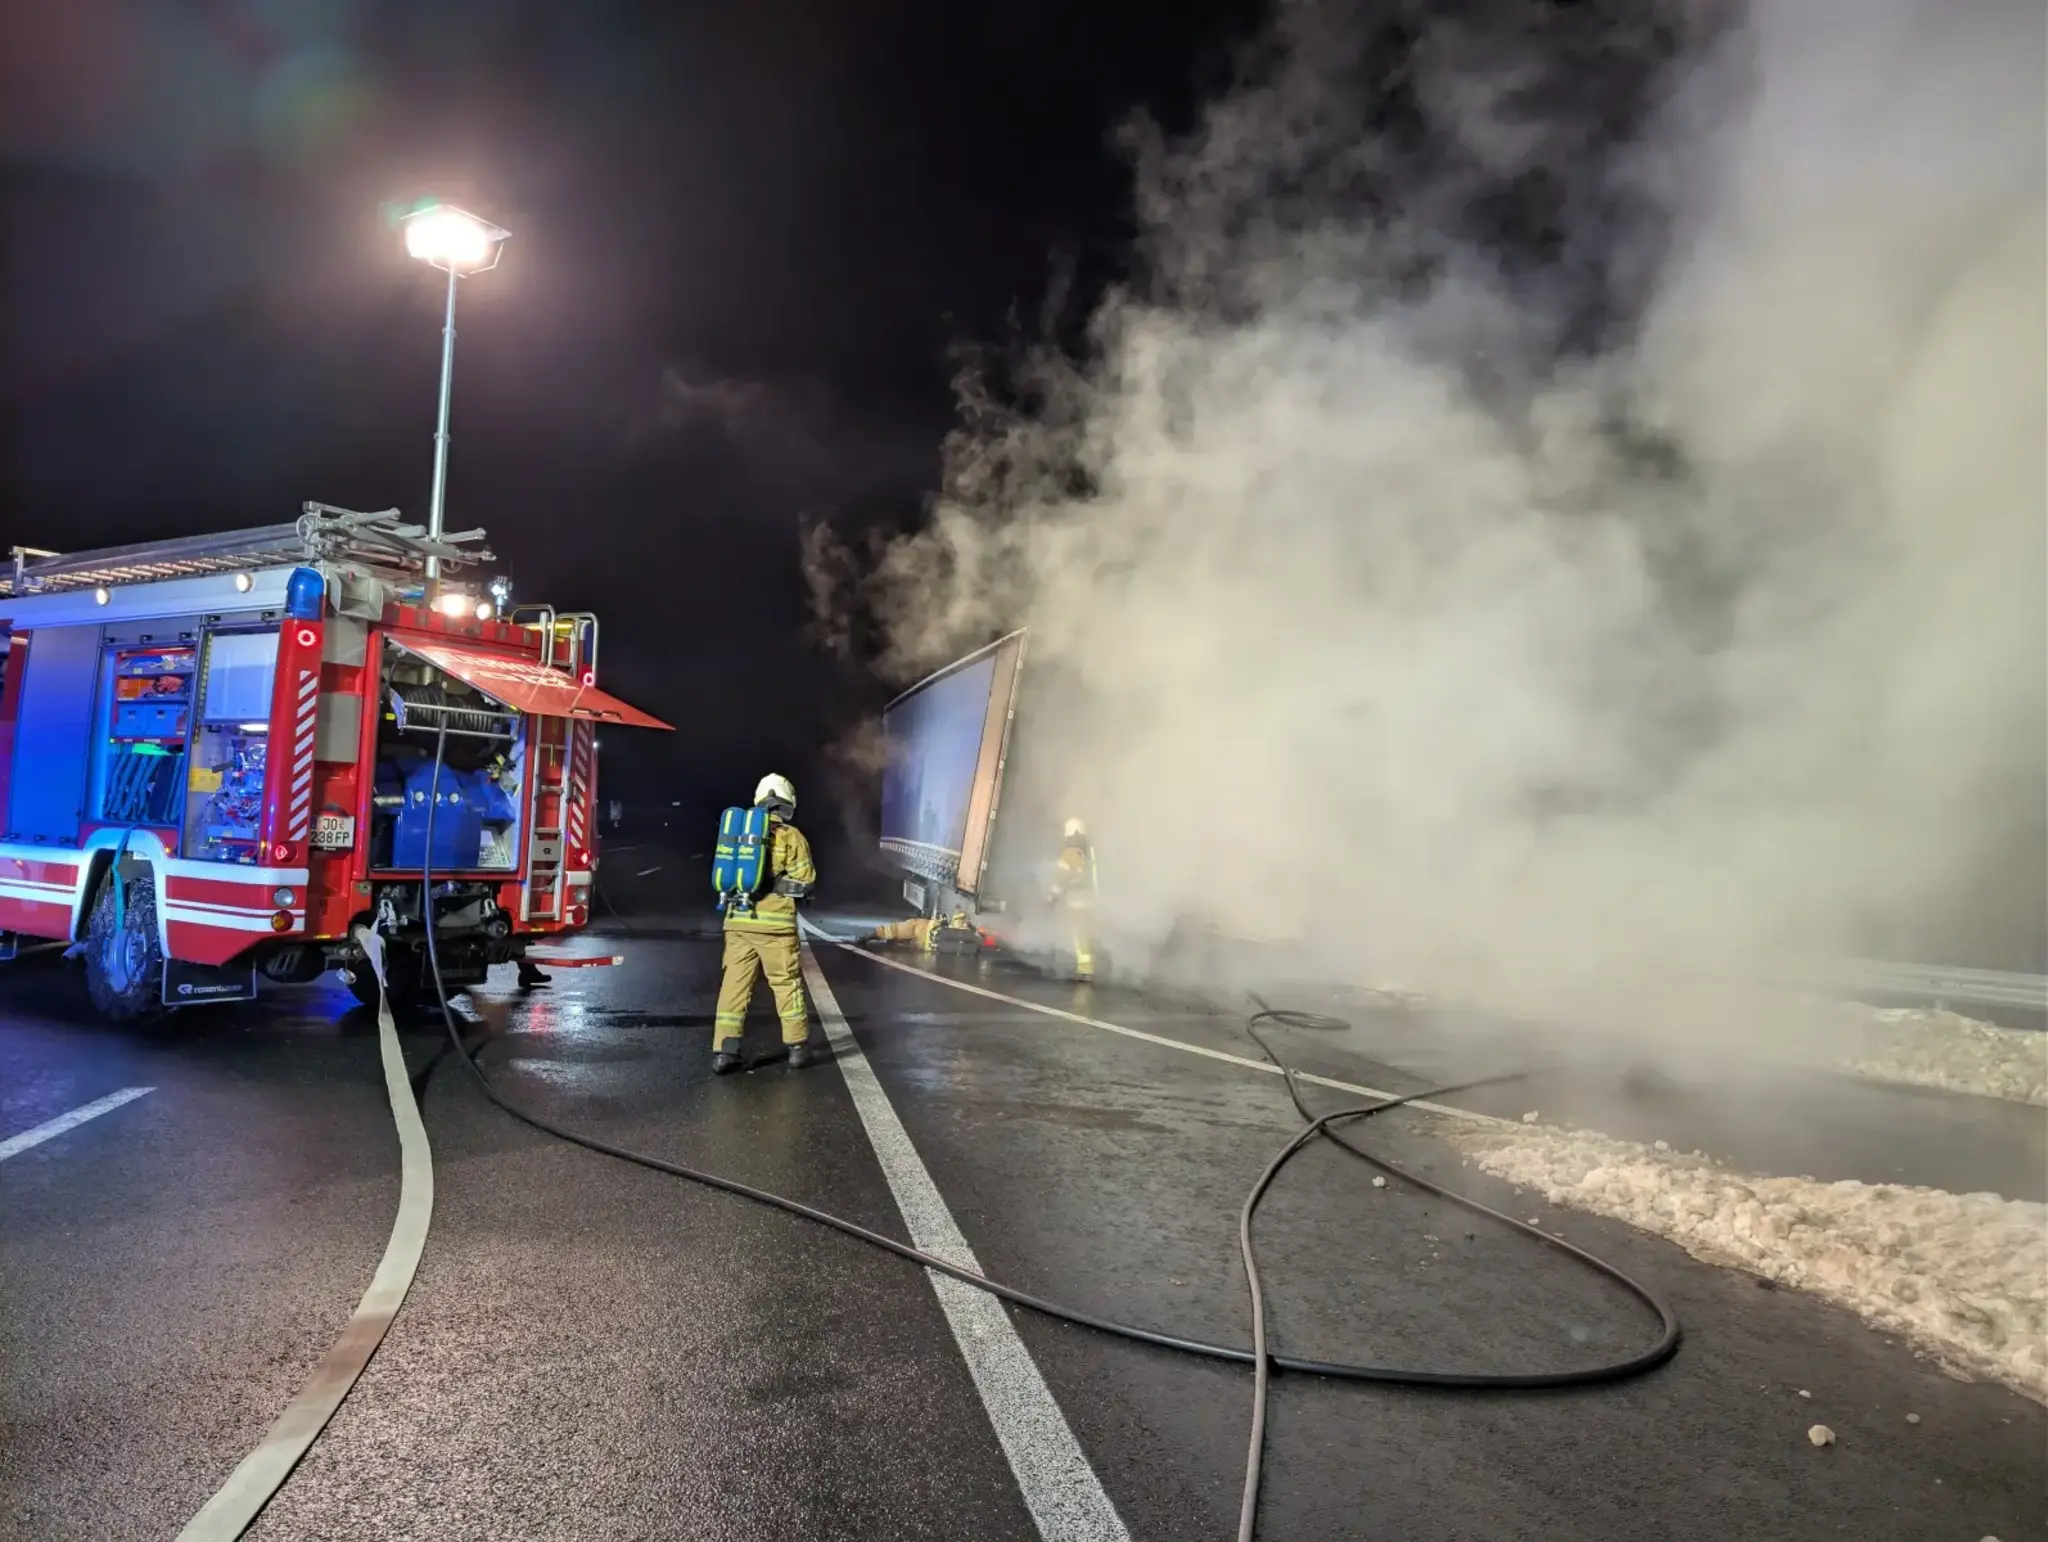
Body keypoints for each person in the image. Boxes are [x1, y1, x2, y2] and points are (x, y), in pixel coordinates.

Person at [713, 773, 818, 1074]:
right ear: (788, 802)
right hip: (776, 928)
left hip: (738, 923)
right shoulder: (791, 836)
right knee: (786, 984)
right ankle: (798, 1048)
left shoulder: (739, 835)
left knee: (733, 987)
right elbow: (806, 880)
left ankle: (725, 1052)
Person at [1049, 816, 1096, 981]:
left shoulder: (1069, 853)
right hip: (1088, 900)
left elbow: (1061, 877)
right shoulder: (1088, 853)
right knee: (1085, 935)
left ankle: (1085, 971)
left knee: (1079, 937)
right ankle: (1084, 968)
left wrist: (1052, 897)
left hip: (1076, 902)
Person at [861, 908, 972, 952]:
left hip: (933, 944)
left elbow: (895, 931)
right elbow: (895, 930)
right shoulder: (914, 926)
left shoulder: (909, 939)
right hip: (932, 933)